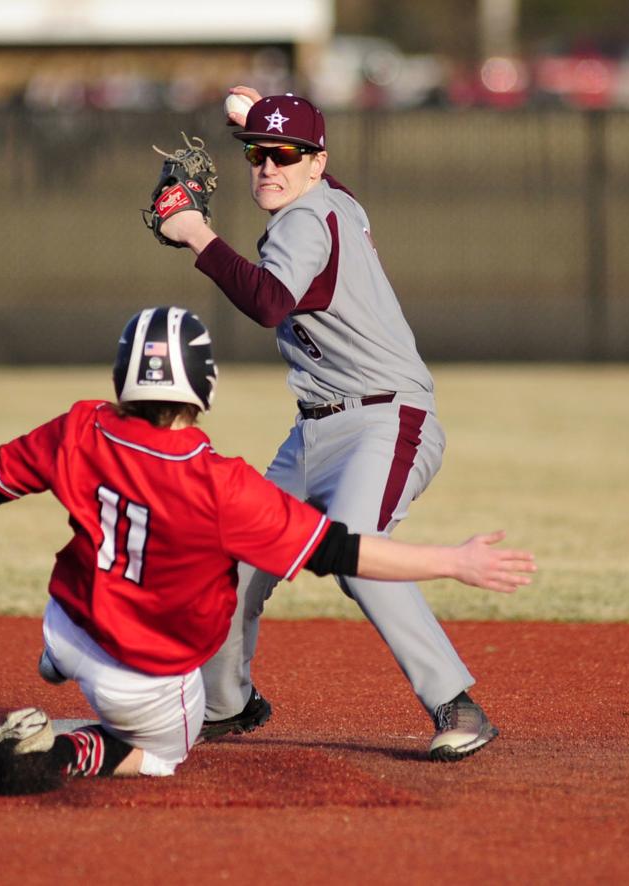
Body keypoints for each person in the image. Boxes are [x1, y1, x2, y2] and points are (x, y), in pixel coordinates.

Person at [0, 306, 534, 793]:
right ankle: (55, 753)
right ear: (204, 383)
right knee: (162, 752)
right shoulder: (223, 486)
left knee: (89, 595)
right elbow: (342, 552)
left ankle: (60, 659)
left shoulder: (80, 426)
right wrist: (453, 561)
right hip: (142, 677)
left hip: (67, 624)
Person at [157, 87, 506, 762]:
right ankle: (227, 704)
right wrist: (264, 121)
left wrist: (196, 233)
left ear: (316, 163)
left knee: (357, 552)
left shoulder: (307, 219)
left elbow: (269, 302)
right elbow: (311, 192)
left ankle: (455, 703)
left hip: (384, 418)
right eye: (258, 153)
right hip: (313, 431)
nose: (268, 166)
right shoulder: (335, 199)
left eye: (285, 154)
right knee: (229, 554)